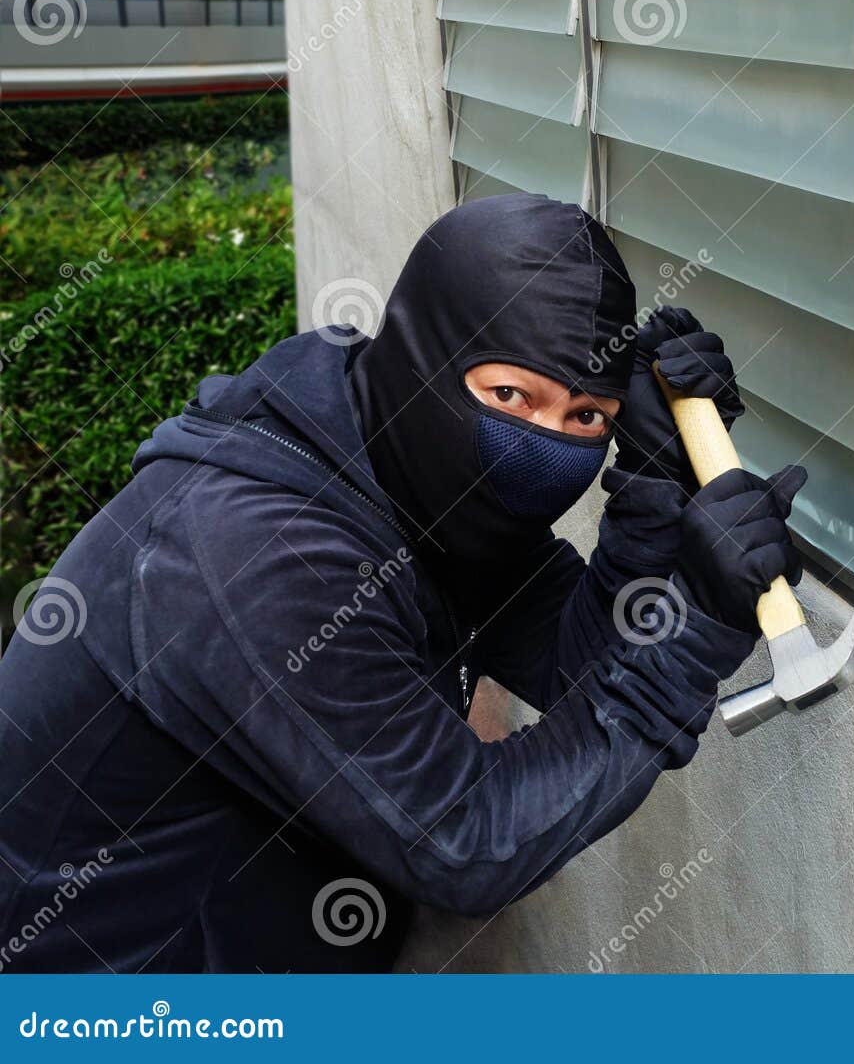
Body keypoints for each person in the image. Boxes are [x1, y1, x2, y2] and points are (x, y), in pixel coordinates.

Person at [0, 194, 806, 971]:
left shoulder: (409, 467)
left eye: (586, 417)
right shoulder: (267, 556)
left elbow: (572, 662)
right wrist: (690, 636)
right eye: (511, 395)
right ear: (428, 353)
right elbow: (466, 838)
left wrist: (655, 488)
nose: (546, 447)